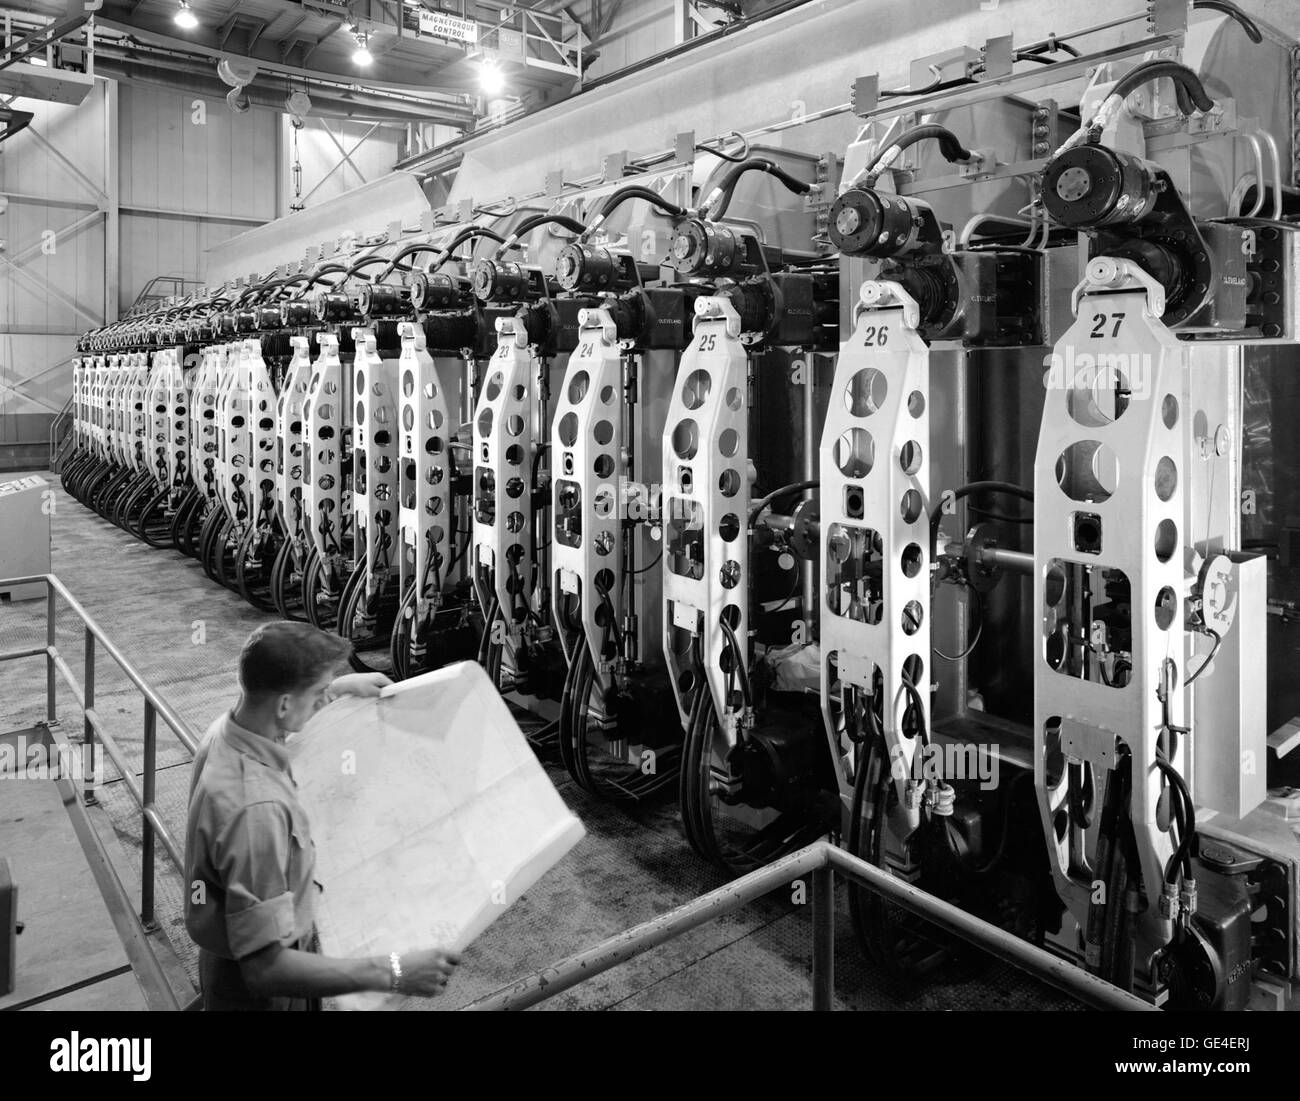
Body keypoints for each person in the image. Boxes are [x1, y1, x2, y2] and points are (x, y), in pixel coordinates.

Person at [183, 620, 460, 1010]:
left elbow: (280, 713)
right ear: (283, 703)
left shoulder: (228, 731)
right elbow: (265, 969)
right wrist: (396, 971)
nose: (319, 700)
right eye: (315, 693)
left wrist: (337, 689)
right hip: (262, 994)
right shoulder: (255, 811)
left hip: (237, 945)